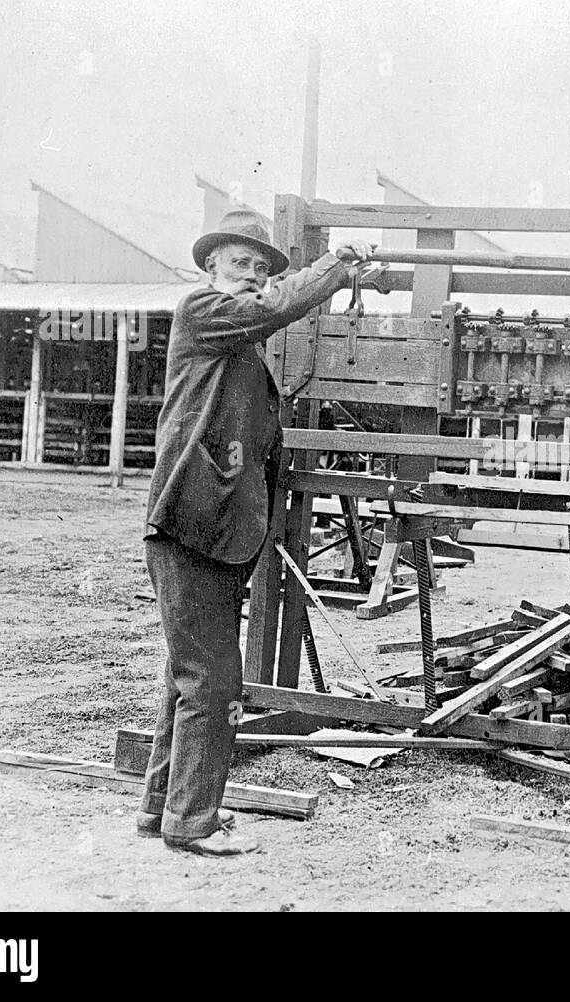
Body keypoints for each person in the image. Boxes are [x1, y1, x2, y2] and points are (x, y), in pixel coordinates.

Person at [136, 207, 375, 856]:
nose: (250, 276)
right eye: (239, 263)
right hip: (190, 525)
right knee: (212, 683)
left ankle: (164, 808)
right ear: (211, 267)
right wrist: (336, 267)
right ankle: (193, 824)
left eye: (261, 268)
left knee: (187, 678)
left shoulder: (240, 347)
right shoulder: (203, 312)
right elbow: (273, 308)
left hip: (219, 529)